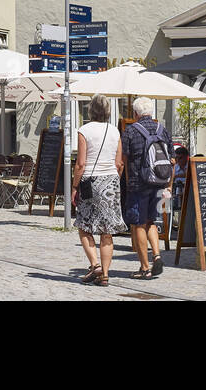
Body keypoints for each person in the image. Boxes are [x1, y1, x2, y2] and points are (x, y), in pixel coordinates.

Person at [72, 95, 126, 287]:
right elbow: (119, 163)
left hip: (90, 182)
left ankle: (94, 264)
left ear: (90, 110)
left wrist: (74, 187)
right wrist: (113, 181)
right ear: (108, 111)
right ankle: (104, 274)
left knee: (84, 225)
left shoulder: (84, 130)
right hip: (111, 182)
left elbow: (81, 163)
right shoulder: (115, 131)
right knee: (107, 230)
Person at [121, 96, 173, 279]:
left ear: (135, 113)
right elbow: (172, 158)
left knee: (138, 224)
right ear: (151, 112)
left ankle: (144, 267)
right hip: (160, 182)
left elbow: (123, 159)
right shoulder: (162, 129)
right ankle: (157, 255)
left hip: (138, 184)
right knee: (152, 220)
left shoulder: (130, 131)